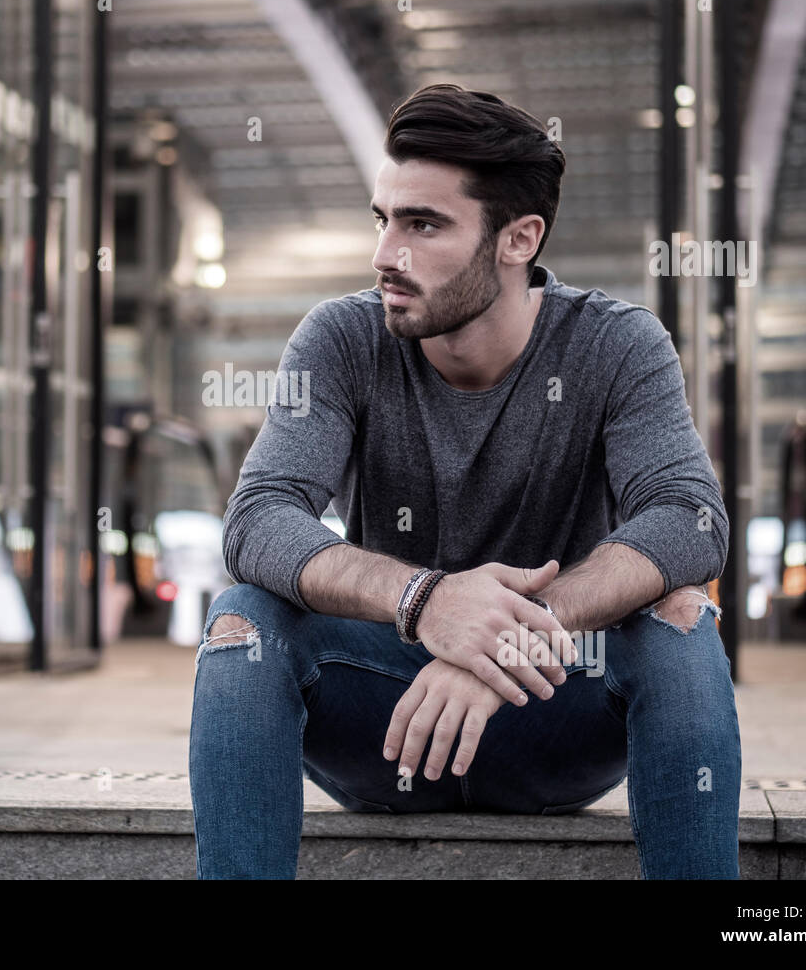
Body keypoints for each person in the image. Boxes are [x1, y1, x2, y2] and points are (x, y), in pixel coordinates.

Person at [189, 83, 741, 880]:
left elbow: (690, 517)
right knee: (243, 617)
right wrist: (430, 602)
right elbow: (258, 519)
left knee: (681, 618)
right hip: (388, 728)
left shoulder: (619, 345)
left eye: (423, 224)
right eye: (383, 220)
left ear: (519, 238)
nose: (386, 253)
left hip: (556, 718)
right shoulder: (341, 339)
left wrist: (503, 634)